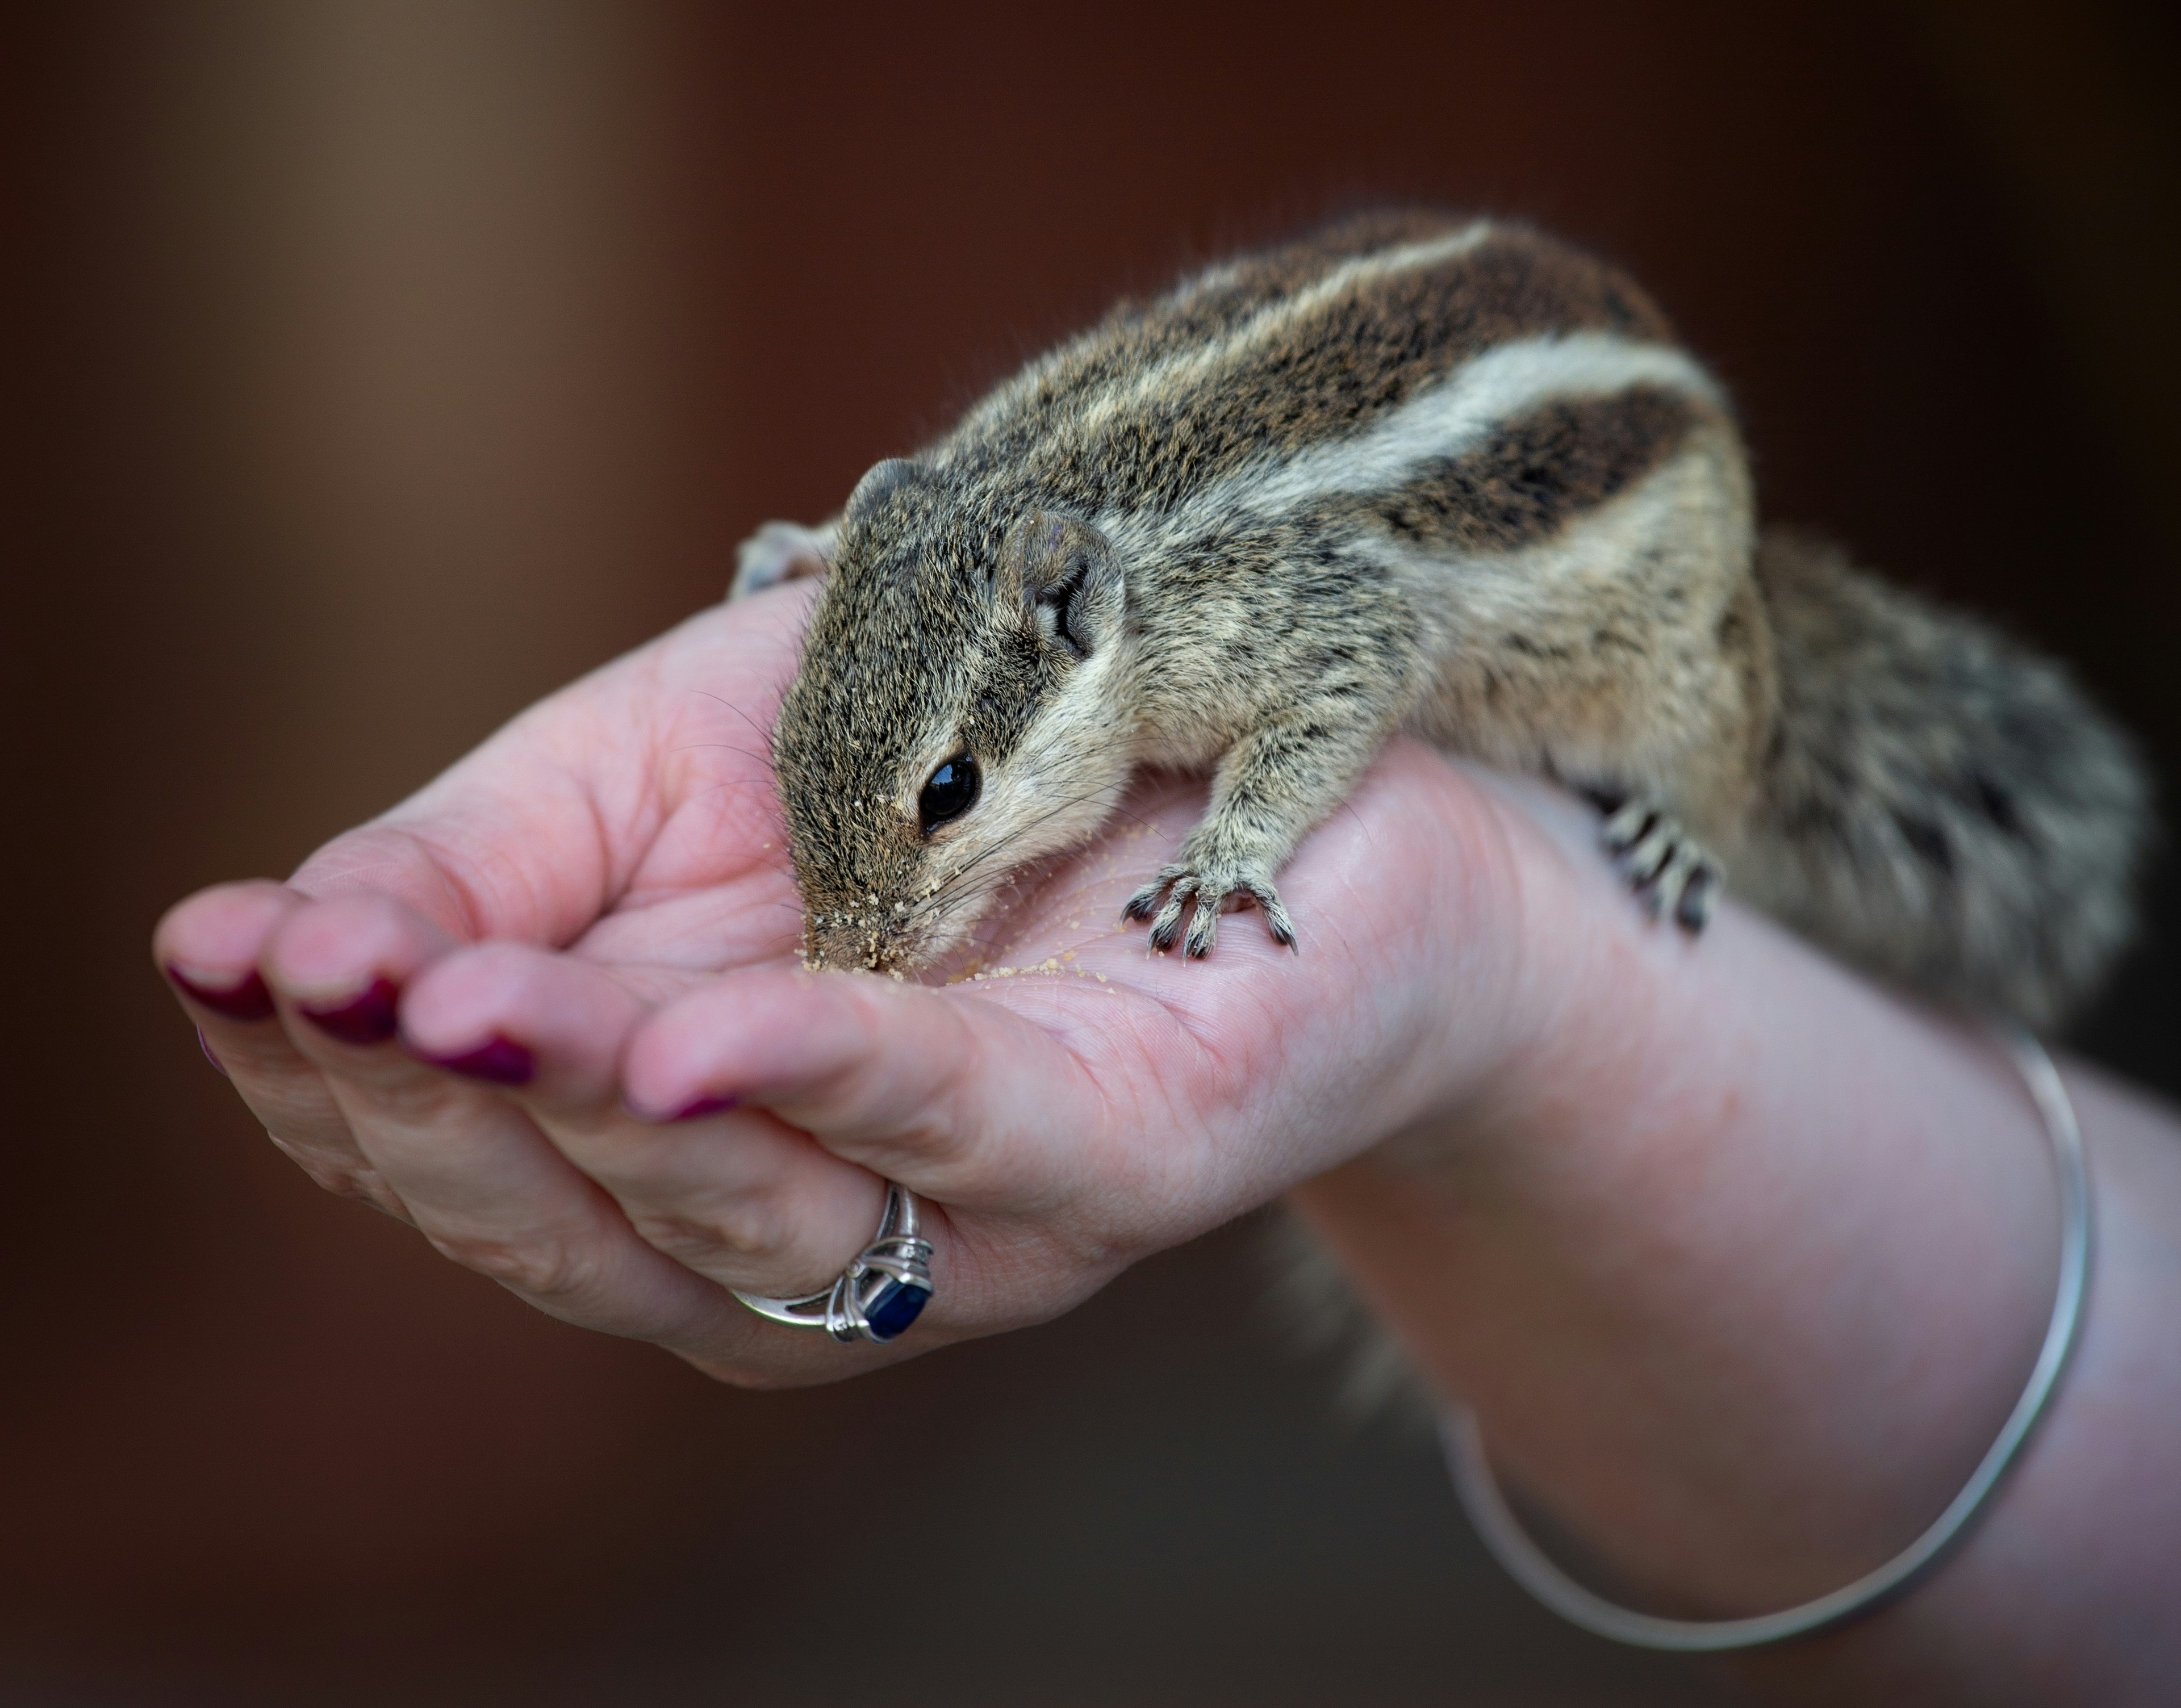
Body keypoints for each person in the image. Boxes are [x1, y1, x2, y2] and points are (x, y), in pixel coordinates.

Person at [156, 583, 2181, 1701]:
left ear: (1088, 636)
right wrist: (1521, 977)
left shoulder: (1234, 635)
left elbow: (1355, 644)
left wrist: (1291, 850)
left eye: (959, 795)